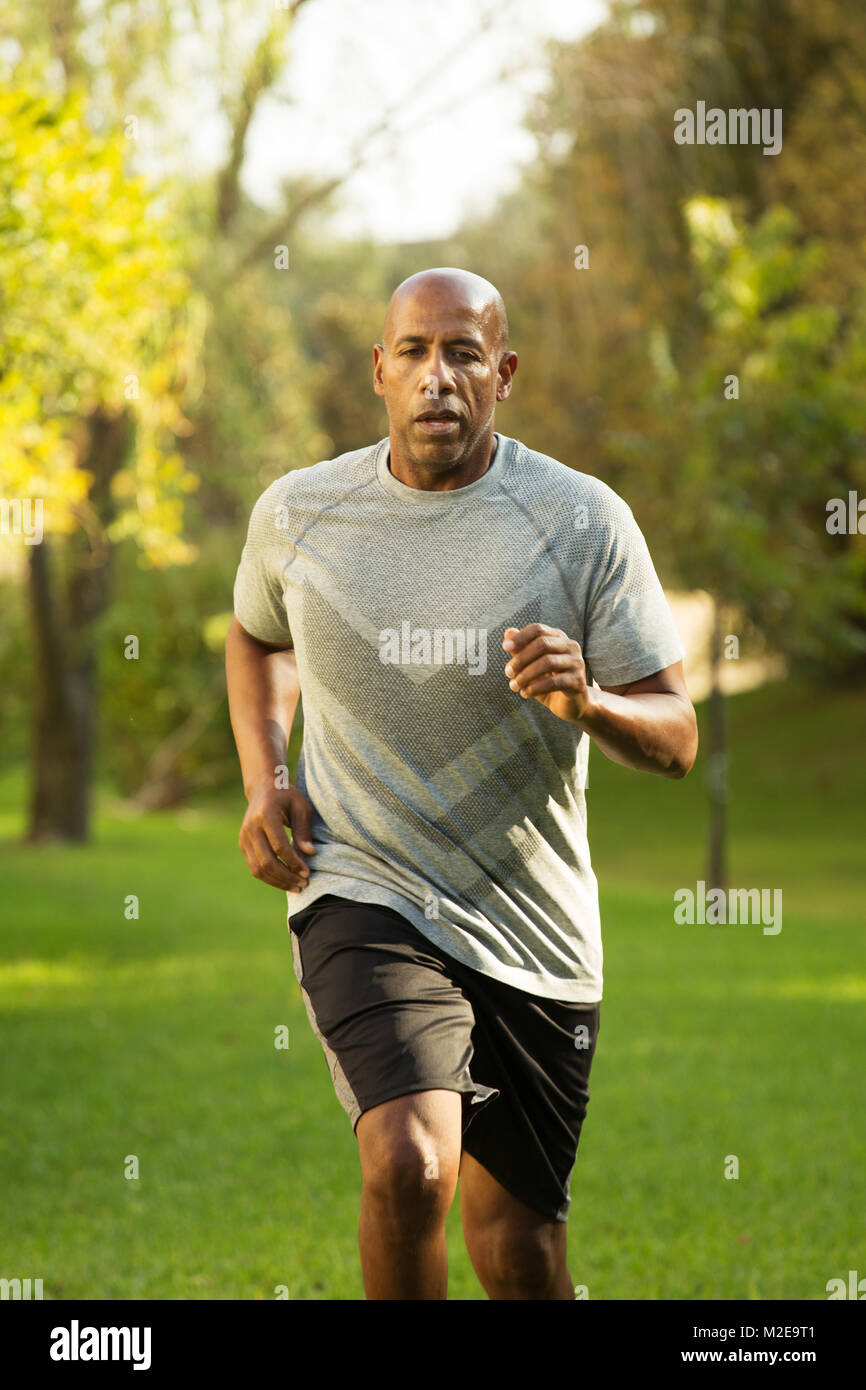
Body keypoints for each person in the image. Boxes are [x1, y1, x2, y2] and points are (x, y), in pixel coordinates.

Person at [225, 267, 698, 1300]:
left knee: (518, 1253)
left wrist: (592, 705)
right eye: (414, 353)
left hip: (532, 926)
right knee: (408, 1162)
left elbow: (676, 734)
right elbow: (259, 637)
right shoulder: (301, 512)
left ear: (505, 373)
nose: (437, 377)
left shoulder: (580, 520)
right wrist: (267, 778)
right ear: (379, 372)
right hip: (364, 883)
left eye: (464, 354)